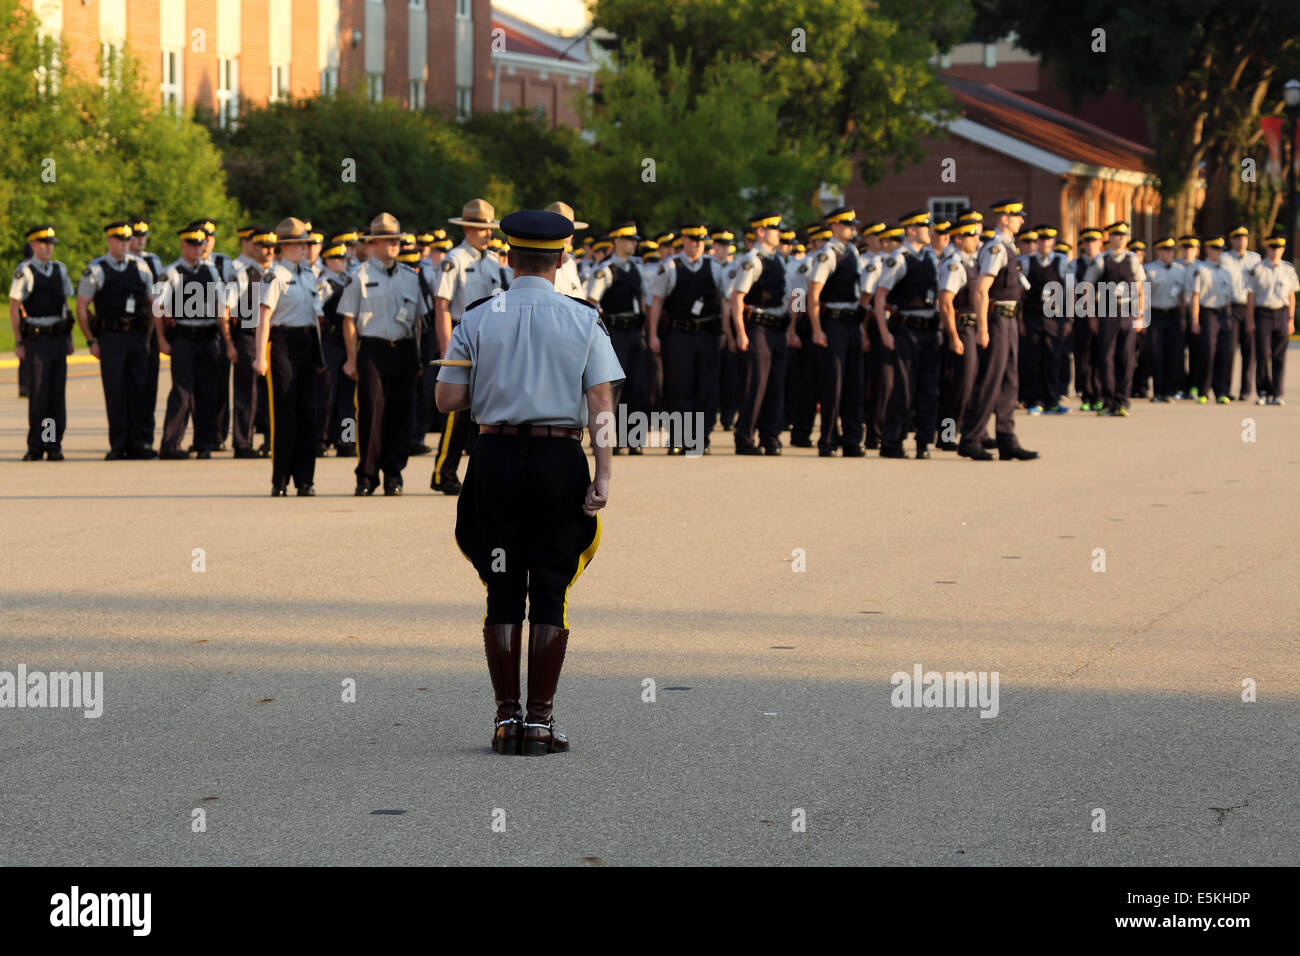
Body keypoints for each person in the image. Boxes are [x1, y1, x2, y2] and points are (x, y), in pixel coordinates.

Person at [436, 209, 623, 756]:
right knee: (550, 584)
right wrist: (604, 471)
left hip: (493, 456)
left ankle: (504, 720)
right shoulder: (584, 318)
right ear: (562, 258)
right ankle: (539, 724)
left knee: (501, 584)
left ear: (508, 257)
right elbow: (601, 402)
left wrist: (494, 383)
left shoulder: (476, 317)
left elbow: (446, 400)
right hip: (556, 460)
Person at [338, 213, 423, 496]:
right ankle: (366, 475)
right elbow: (349, 320)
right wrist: (351, 359)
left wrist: (418, 357)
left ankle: (394, 475)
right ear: (373, 243)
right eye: (388, 240)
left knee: (402, 412)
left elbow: (418, 321)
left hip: (404, 348)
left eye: (397, 240)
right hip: (373, 349)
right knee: (372, 412)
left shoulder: (411, 277)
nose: (394, 245)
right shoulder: (359, 276)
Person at [431, 199, 508, 495]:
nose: (487, 233)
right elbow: (441, 305)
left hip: (490, 338)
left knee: (485, 409)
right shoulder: (455, 259)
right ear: (466, 228)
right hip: (463, 335)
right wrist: (446, 346)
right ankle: (443, 472)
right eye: (480, 228)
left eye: (489, 228)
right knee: (456, 410)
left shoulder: (493, 261)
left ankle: (480, 472)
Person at [957, 199, 1038, 461]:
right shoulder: (995, 248)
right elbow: (981, 289)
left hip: (1010, 318)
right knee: (991, 380)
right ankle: (971, 437)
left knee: (1010, 381)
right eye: (1017, 216)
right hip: (997, 320)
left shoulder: (1007, 247)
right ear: (1004, 218)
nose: (1021, 221)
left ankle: (1007, 438)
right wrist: (983, 329)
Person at [253, 218, 325, 496]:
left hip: (306, 343)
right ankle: (280, 478)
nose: (304, 249)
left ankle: (305, 480)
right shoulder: (275, 275)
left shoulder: (308, 275)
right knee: (284, 411)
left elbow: (317, 316)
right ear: (284, 247)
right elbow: (264, 317)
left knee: (308, 414)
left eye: (306, 244)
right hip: (282, 344)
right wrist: (261, 356)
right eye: (298, 245)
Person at [76, 221, 157, 460]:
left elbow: (151, 303)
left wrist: (148, 336)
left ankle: (140, 443)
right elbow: (82, 307)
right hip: (110, 336)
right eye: (120, 240)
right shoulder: (97, 269)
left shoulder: (141, 266)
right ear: (110, 241)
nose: (125, 244)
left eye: (127, 240)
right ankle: (118, 443)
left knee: (140, 389)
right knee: (115, 390)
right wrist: (91, 339)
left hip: (136, 334)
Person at [155, 224, 234, 459]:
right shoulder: (171, 272)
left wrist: (228, 343)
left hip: (209, 338)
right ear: (182, 245)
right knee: (182, 392)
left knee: (207, 392)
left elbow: (222, 309)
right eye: (192, 244)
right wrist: (161, 340)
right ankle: (170, 444)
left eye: (200, 244)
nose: (197, 249)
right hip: (184, 338)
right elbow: (158, 308)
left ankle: (204, 443)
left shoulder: (211, 271)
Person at [875, 209, 940, 459]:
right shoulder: (899, 258)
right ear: (911, 230)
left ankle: (923, 442)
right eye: (925, 227)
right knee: (903, 389)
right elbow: (880, 296)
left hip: (929, 331)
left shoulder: (930, 258)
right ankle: (892, 442)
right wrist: (884, 332)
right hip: (906, 330)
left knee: (928, 389)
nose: (930, 231)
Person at [728, 212, 791, 455]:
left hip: (778, 327)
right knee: (757, 385)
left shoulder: (778, 259)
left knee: (775, 385)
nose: (779, 233)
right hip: (759, 327)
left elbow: (793, 293)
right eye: (774, 229)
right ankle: (744, 437)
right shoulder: (752, 260)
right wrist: (741, 333)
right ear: (761, 232)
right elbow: (737, 298)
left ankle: (770, 436)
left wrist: (794, 321)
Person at [10, 224, 74, 460]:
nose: (49, 248)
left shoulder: (60, 270)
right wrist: (19, 342)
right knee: (40, 395)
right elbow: (14, 308)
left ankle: (54, 444)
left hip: (57, 338)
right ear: (34, 245)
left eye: (51, 244)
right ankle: (36, 446)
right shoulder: (24, 271)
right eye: (44, 244)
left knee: (57, 395)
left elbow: (66, 306)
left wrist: (68, 337)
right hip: (37, 340)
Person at [807, 208, 865, 457]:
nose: (852, 229)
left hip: (852, 322)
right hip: (834, 323)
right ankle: (828, 439)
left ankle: (852, 439)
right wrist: (817, 329)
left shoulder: (851, 252)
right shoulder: (827, 254)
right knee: (834, 384)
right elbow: (813, 295)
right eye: (847, 225)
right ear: (833, 227)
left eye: (853, 225)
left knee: (854, 383)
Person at [585, 222, 647, 454]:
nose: (634, 243)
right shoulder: (606, 270)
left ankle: (633, 439)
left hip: (633, 331)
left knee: (636, 385)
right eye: (630, 239)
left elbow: (642, 300)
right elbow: (592, 301)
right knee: (613, 387)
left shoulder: (636, 269)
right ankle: (606, 439)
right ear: (617, 241)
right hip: (615, 331)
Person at [228, 226, 277, 457]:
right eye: (264, 247)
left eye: (272, 247)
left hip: (274, 338)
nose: (269, 251)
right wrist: (229, 343)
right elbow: (225, 308)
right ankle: (242, 443)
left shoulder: (279, 274)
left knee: (272, 393)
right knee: (247, 392)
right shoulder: (242, 274)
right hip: (248, 335)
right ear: (254, 247)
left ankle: (271, 441)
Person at [936, 217, 982, 449]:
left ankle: (965, 431)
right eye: (972, 236)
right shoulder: (954, 264)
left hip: (971, 328)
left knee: (969, 384)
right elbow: (945, 302)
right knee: (957, 386)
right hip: (961, 329)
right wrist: (953, 336)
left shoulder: (971, 262)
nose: (977, 240)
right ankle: (946, 436)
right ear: (958, 238)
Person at [128, 217, 165, 452]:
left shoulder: (153, 261)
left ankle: (146, 437)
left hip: (149, 331)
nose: (140, 240)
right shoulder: (121, 262)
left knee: (149, 386)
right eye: (135, 236)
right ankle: (129, 437)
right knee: (128, 388)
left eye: (143, 236)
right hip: (129, 330)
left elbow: (161, 297)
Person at [316, 238, 355, 456]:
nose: (341, 261)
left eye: (343, 258)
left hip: (347, 342)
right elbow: (316, 311)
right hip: (331, 342)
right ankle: (321, 439)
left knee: (348, 396)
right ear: (327, 260)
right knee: (327, 392)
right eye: (336, 258)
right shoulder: (325, 283)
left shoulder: (348, 280)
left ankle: (346, 440)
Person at [1249, 234, 1297, 405]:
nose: (1276, 251)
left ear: (1283, 249)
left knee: (1279, 356)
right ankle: (1262, 391)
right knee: (1262, 354)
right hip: (1263, 314)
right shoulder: (1258, 269)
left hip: (1282, 313)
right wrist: (1250, 319)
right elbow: (1251, 296)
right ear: (1267, 248)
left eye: (1279, 248)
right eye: (1272, 247)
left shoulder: (1288, 270)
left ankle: (1277, 393)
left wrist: (1291, 319)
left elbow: (1291, 296)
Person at [1188, 236, 1236, 404]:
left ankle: (1222, 390)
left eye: (1221, 249)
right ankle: (1203, 390)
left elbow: (1229, 296)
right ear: (1207, 249)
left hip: (1224, 313)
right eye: (1216, 249)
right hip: (1207, 313)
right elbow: (1195, 297)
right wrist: (1194, 321)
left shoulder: (1226, 271)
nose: (1219, 252)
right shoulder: (1200, 270)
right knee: (1208, 352)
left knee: (1225, 352)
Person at [1145, 237, 1186, 403]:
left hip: (1174, 314)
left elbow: (1183, 295)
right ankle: (1158, 391)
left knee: (1173, 353)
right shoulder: (1149, 270)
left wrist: (1183, 317)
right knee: (1156, 353)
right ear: (1158, 252)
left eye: (1171, 250)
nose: (1170, 253)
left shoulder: (1180, 270)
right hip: (1156, 314)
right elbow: (1144, 296)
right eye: (1166, 250)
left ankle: (1169, 391)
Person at [1223, 226, 1260, 402]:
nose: (1241, 240)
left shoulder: (1256, 259)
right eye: (1237, 237)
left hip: (1249, 308)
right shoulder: (1224, 259)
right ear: (1232, 240)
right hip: (1231, 308)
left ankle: (1246, 389)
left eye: (1244, 237)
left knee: (1249, 351)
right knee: (1228, 350)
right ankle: (1226, 388)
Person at [1072, 227, 1104, 409]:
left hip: (1105, 314)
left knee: (1102, 355)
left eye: (1094, 241)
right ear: (1083, 244)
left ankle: (1100, 394)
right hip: (1082, 315)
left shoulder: (1106, 262)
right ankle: (1086, 394)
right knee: (1083, 356)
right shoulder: (1075, 265)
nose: (1091, 245)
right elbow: (1072, 292)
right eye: (1087, 241)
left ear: (1100, 243)